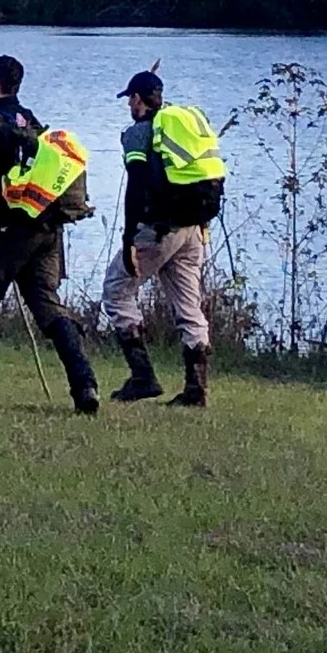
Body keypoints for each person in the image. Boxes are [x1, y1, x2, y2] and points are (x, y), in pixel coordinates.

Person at [0, 53, 101, 416]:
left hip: (5, 233)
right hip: (45, 230)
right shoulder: (33, 123)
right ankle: (84, 384)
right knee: (47, 305)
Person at [104, 70, 225, 408]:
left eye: (130, 98)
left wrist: (130, 237)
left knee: (116, 289)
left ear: (138, 100)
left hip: (158, 229)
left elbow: (136, 185)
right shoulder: (187, 120)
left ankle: (142, 377)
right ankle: (196, 389)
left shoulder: (140, 133)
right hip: (195, 229)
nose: (130, 104)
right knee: (189, 306)